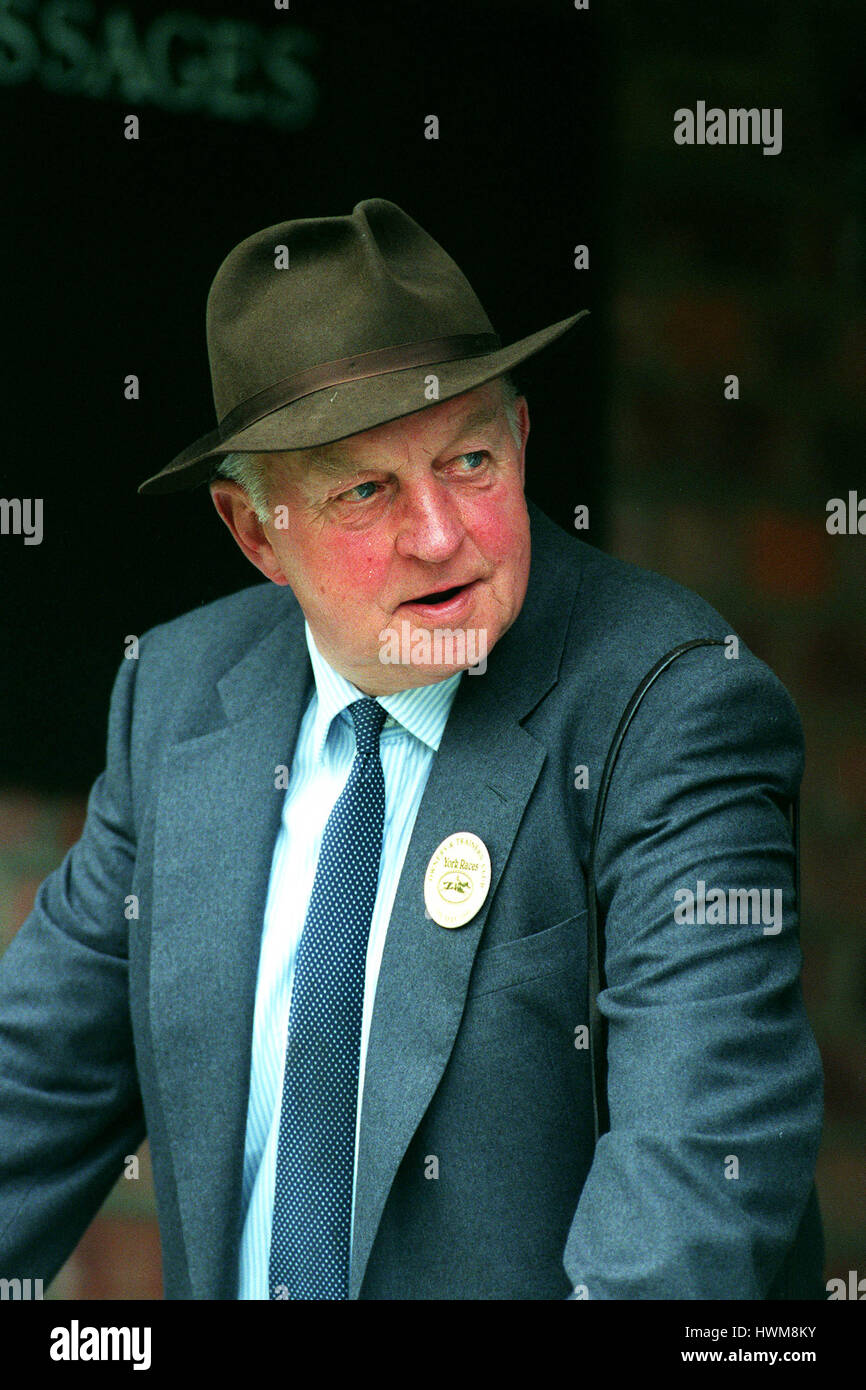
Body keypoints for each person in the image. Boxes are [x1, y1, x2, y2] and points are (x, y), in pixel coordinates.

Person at [0, 199, 824, 1300]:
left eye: (469, 459)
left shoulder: (671, 705)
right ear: (257, 534)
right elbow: (29, 1093)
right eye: (364, 490)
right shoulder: (179, 699)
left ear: (523, 440)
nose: (438, 533)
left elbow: (695, 1186)